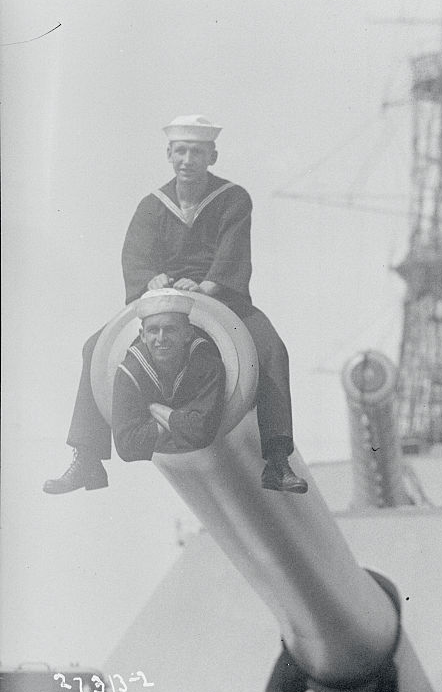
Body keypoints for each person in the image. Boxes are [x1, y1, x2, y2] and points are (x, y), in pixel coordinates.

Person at [44, 115, 307, 495]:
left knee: (271, 349)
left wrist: (205, 286)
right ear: (169, 154)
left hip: (222, 300)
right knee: (94, 348)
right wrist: (149, 279)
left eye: (197, 152)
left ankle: (278, 460)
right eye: (181, 151)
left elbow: (233, 254)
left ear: (212, 156)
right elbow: (136, 259)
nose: (188, 159)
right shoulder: (152, 206)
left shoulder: (233, 198)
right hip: (163, 301)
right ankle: (87, 460)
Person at [112, 290, 225, 461]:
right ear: (142, 335)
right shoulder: (130, 372)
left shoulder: (208, 365)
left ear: (188, 333)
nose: (161, 338)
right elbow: (126, 447)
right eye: (153, 330)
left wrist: (155, 409)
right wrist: (184, 421)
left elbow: (202, 433)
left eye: (170, 329)